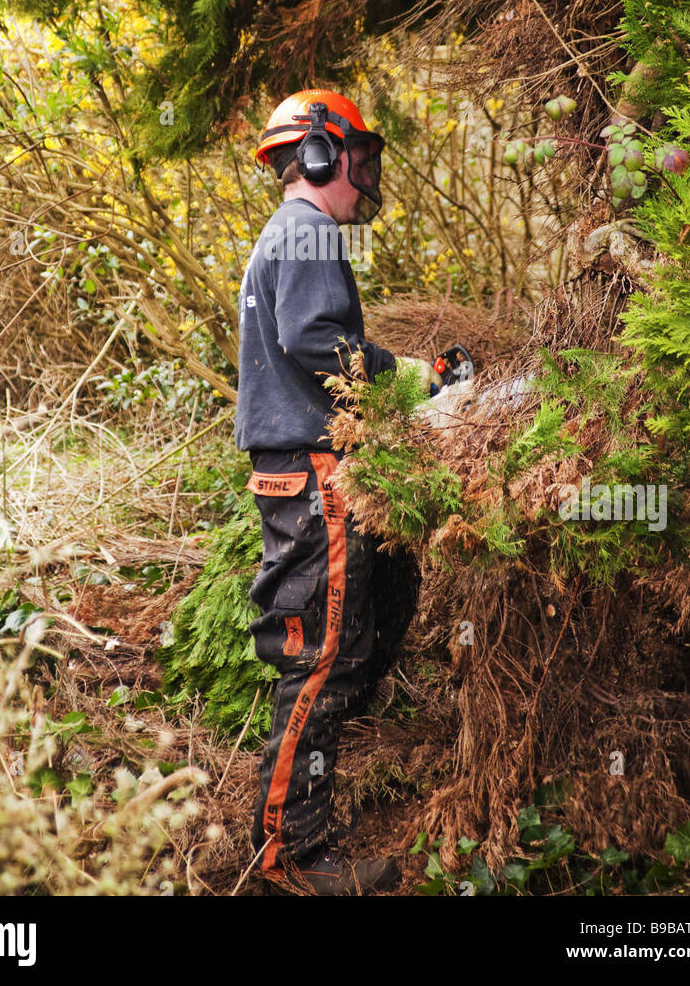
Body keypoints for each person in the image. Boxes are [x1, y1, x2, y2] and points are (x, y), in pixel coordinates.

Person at [234, 89, 440, 896]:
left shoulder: (289, 235)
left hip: (310, 468)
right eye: (357, 156)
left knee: (360, 635)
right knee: (320, 656)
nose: (364, 174)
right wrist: (404, 376)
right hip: (317, 476)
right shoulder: (308, 229)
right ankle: (288, 855)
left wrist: (407, 379)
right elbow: (318, 339)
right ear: (323, 152)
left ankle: (305, 819)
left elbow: (318, 339)